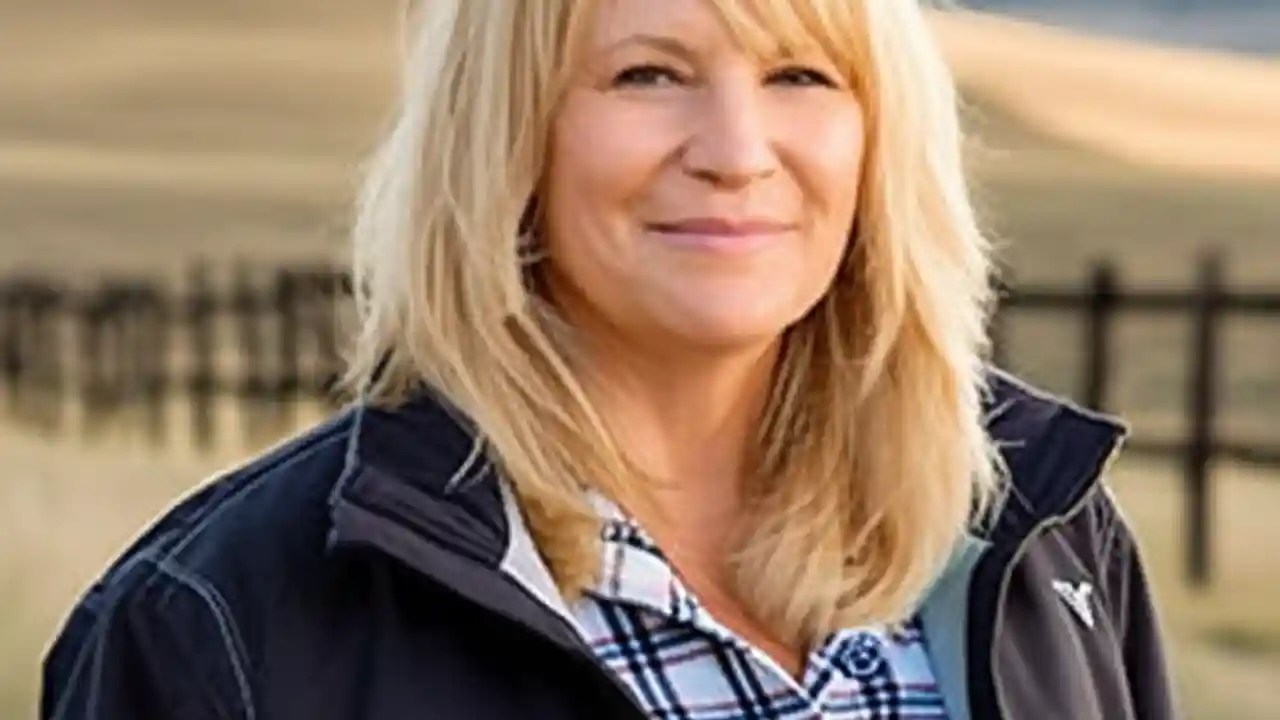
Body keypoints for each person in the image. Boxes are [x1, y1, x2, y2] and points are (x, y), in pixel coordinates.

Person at [42, 1, 1177, 718]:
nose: (736, 154)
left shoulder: (1041, 538)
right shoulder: (219, 623)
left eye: (801, 77)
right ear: (509, 136)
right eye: (647, 75)